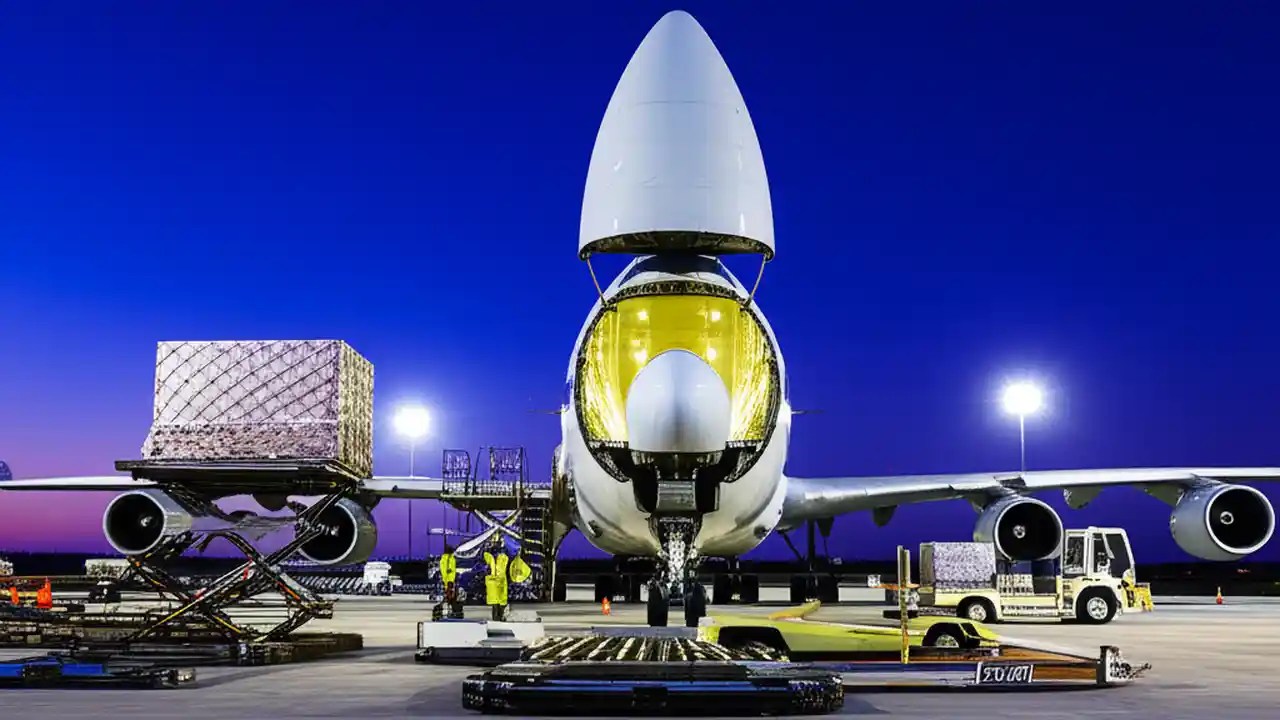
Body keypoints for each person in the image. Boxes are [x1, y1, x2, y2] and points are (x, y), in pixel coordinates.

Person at [483, 536, 510, 621]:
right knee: (496, 602)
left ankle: (499, 617)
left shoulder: (501, 556)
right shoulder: (491, 556)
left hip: (499, 581)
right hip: (495, 582)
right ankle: (498, 618)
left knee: (498, 602)